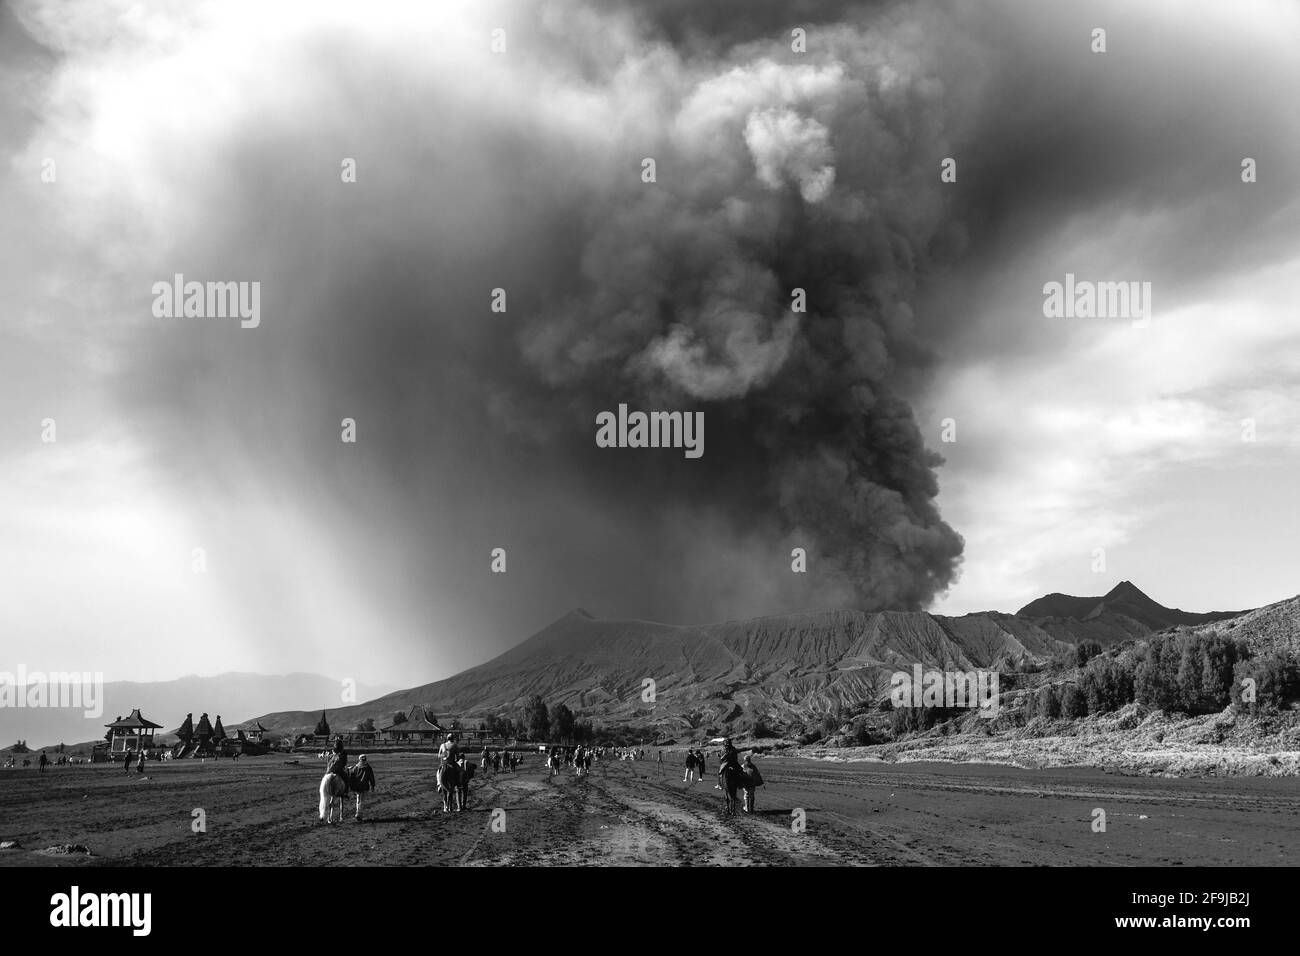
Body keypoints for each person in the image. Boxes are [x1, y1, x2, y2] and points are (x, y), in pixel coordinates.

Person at [351, 754, 376, 822]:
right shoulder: (368, 767)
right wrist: (372, 786)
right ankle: (359, 814)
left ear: (360, 759)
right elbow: (371, 777)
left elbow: (352, 775)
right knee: (362, 801)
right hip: (364, 786)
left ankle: (358, 813)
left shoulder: (356, 767)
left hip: (357, 787)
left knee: (358, 800)